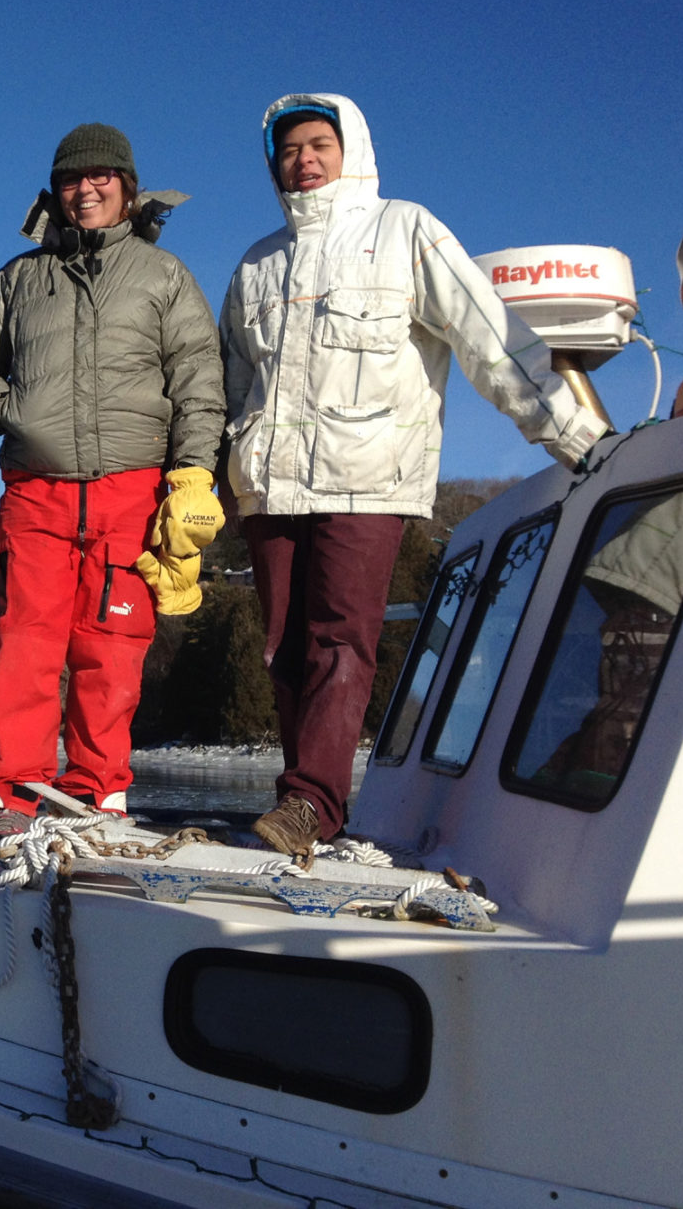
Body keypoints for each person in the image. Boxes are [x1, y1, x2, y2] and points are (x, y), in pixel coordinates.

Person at [219, 92, 609, 862]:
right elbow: (233, 385)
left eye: (318, 145)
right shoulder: (256, 263)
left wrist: (574, 435)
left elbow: (488, 337)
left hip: (367, 476)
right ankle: (302, 802)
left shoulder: (405, 230)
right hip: (269, 485)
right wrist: (213, 479)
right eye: (289, 150)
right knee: (284, 649)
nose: (304, 160)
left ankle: (312, 802)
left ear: (352, 151)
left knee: (340, 639)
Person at [0, 123, 226, 846]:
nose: (86, 189)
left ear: (128, 189)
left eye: (102, 176)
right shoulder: (19, 278)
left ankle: (98, 794)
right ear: (55, 192)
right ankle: (12, 794)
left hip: (132, 492)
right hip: (36, 492)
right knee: (23, 644)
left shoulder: (164, 276)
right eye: (72, 179)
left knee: (113, 648)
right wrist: (10, 410)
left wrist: (194, 473)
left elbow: (200, 376)